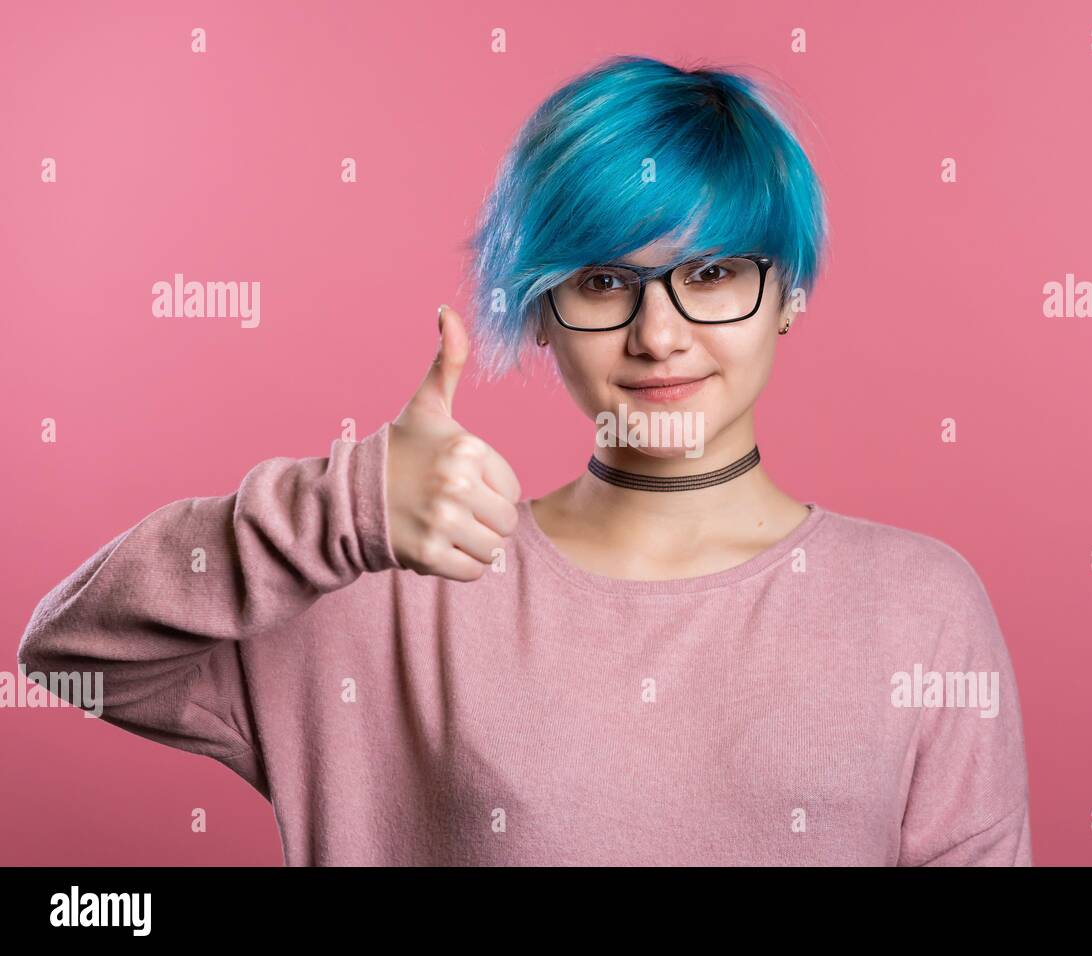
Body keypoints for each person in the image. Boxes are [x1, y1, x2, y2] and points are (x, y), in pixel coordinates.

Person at [18, 55, 1031, 866]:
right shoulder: (386, 587)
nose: (659, 333)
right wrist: (344, 506)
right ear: (540, 315)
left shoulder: (918, 604)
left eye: (713, 273)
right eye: (602, 281)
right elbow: (68, 653)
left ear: (790, 291)